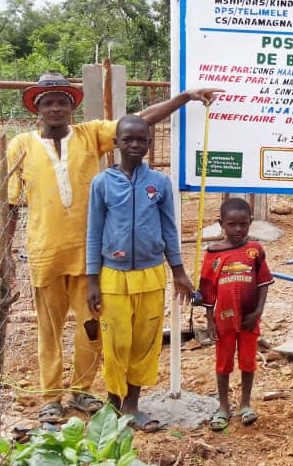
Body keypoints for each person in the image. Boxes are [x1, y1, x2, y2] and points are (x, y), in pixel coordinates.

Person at [5, 71, 219, 424]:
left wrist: (184, 97)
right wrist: (4, 260)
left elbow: (139, 123)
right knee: (49, 329)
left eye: (62, 101)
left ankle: (84, 391)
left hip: (90, 259)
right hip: (45, 252)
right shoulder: (20, 145)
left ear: (72, 106)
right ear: (37, 109)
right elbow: (11, 203)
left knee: (92, 327)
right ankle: (51, 396)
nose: (56, 108)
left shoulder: (90, 135)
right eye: (48, 103)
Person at [84, 115, 196, 432]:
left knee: (144, 343)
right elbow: (93, 233)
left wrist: (179, 272)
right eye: (128, 139)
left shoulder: (159, 184)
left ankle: (133, 406)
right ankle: (112, 404)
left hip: (151, 274)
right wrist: (93, 280)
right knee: (116, 342)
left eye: (141, 140)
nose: (135, 145)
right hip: (112, 277)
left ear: (149, 143)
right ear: (116, 143)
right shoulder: (102, 183)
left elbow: (169, 230)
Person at [198, 198, 273, 432]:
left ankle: (245, 404)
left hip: (249, 318)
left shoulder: (255, 250)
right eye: (232, 224)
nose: (238, 229)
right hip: (225, 319)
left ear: (250, 222)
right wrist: (209, 320)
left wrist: (258, 312)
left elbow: (263, 282)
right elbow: (208, 288)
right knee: (223, 362)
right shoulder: (213, 254)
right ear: (222, 224)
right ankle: (223, 407)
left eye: (243, 224)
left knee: (248, 361)